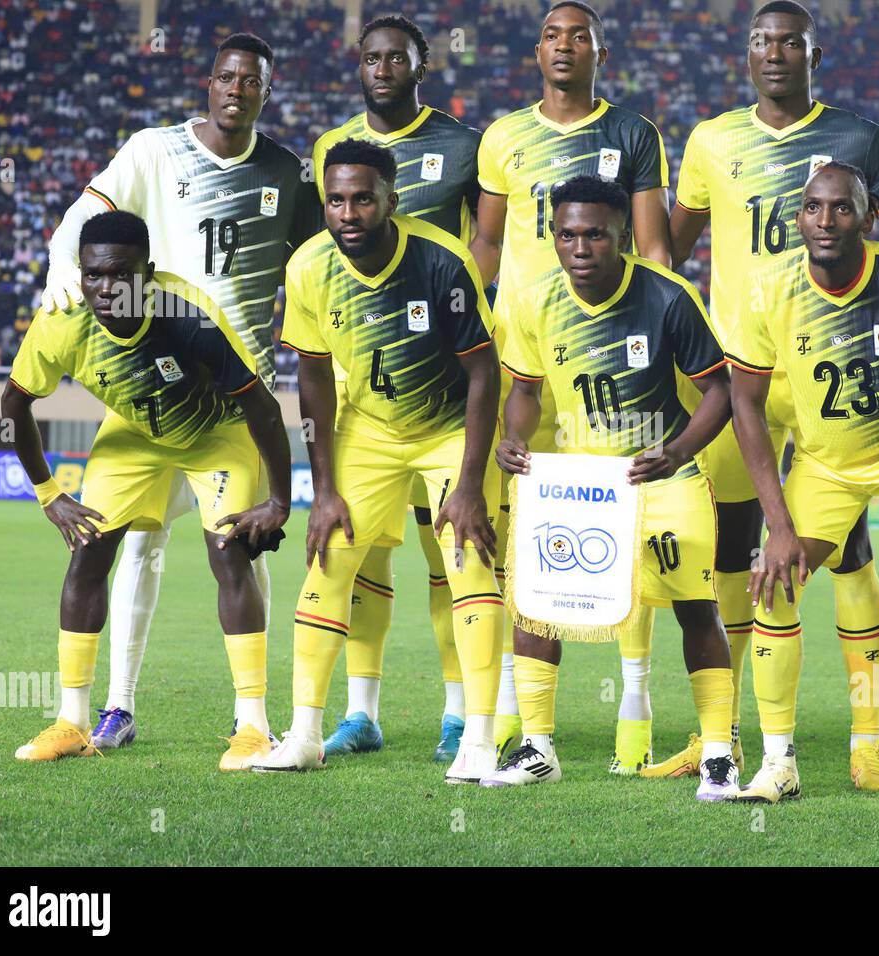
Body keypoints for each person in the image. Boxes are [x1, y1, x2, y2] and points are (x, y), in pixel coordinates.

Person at [39, 32, 321, 754]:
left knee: (243, 550)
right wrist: (58, 270)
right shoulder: (152, 150)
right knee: (135, 548)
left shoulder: (288, 172)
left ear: (265, 89)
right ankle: (117, 708)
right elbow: (84, 213)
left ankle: (251, 719)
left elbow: (320, 259)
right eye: (226, 77)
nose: (236, 90)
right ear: (209, 83)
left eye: (250, 80)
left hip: (234, 391)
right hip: (148, 386)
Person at [661, 0, 879, 785]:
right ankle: (722, 742)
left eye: (790, 42)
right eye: (762, 41)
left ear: (814, 52)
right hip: (744, 376)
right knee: (735, 554)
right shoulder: (710, 142)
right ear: (747, 54)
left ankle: (868, 744)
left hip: (833, 375)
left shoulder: (861, 140)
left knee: (849, 552)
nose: (775, 53)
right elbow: (672, 254)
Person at [253, 141, 503, 785]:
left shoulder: (442, 261)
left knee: (468, 559)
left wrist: (470, 483)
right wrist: (325, 486)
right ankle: (305, 733)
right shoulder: (308, 267)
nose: (348, 212)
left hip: (450, 428)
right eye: (335, 200)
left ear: (392, 199)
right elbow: (309, 379)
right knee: (329, 554)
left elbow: (484, 375)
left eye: (363, 198)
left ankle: (479, 737)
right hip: (367, 431)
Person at [5, 211, 293, 769]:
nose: (105, 289)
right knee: (88, 551)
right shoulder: (64, 320)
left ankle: (253, 727)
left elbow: (262, 407)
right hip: (133, 434)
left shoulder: (188, 317)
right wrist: (48, 493)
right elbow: (15, 405)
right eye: (93, 275)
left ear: (148, 272)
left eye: (120, 275)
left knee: (230, 552)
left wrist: (278, 501)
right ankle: (72, 722)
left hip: (217, 432)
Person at [469, 1, 672, 772]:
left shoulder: (635, 133)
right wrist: (468, 320)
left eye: (578, 35)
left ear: (601, 52)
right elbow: (486, 241)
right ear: (537, 50)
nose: (565, 46)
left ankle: (634, 705)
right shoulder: (503, 137)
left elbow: (652, 247)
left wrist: (648, 338)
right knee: (529, 539)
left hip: (611, 356)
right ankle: (529, 726)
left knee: (628, 525)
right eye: (553, 34)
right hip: (528, 357)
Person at [726, 163, 879, 811]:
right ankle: (779, 764)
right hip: (824, 465)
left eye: (840, 209)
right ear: (797, 217)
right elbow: (744, 406)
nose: (825, 221)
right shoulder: (768, 287)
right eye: (812, 208)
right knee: (771, 588)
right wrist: (777, 526)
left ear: (869, 218)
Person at [492, 176, 738, 801]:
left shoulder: (668, 297)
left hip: (665, 477)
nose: (580, 246)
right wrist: (514, 438)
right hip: (581, 483)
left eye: (595, 234)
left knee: (694, 608)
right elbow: (523, 392)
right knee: (536, 604)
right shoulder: (534, 301)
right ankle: (538, 747)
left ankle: (718, 753)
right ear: (552, 237)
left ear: (623, 235)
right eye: (568, 234)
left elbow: (721, 392)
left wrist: (677, 451)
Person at [311, 13, 484, 764]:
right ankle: (361, 713)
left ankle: (458, 715)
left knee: (450, 548)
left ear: (421, 65)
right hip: (361, 385)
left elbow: (486, 241)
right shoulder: (332, 150)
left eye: (397, 58)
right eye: (371, 58)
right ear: (359, 66)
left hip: (442, 376)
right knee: (362, 555)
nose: (382, 68)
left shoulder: (462, 145)